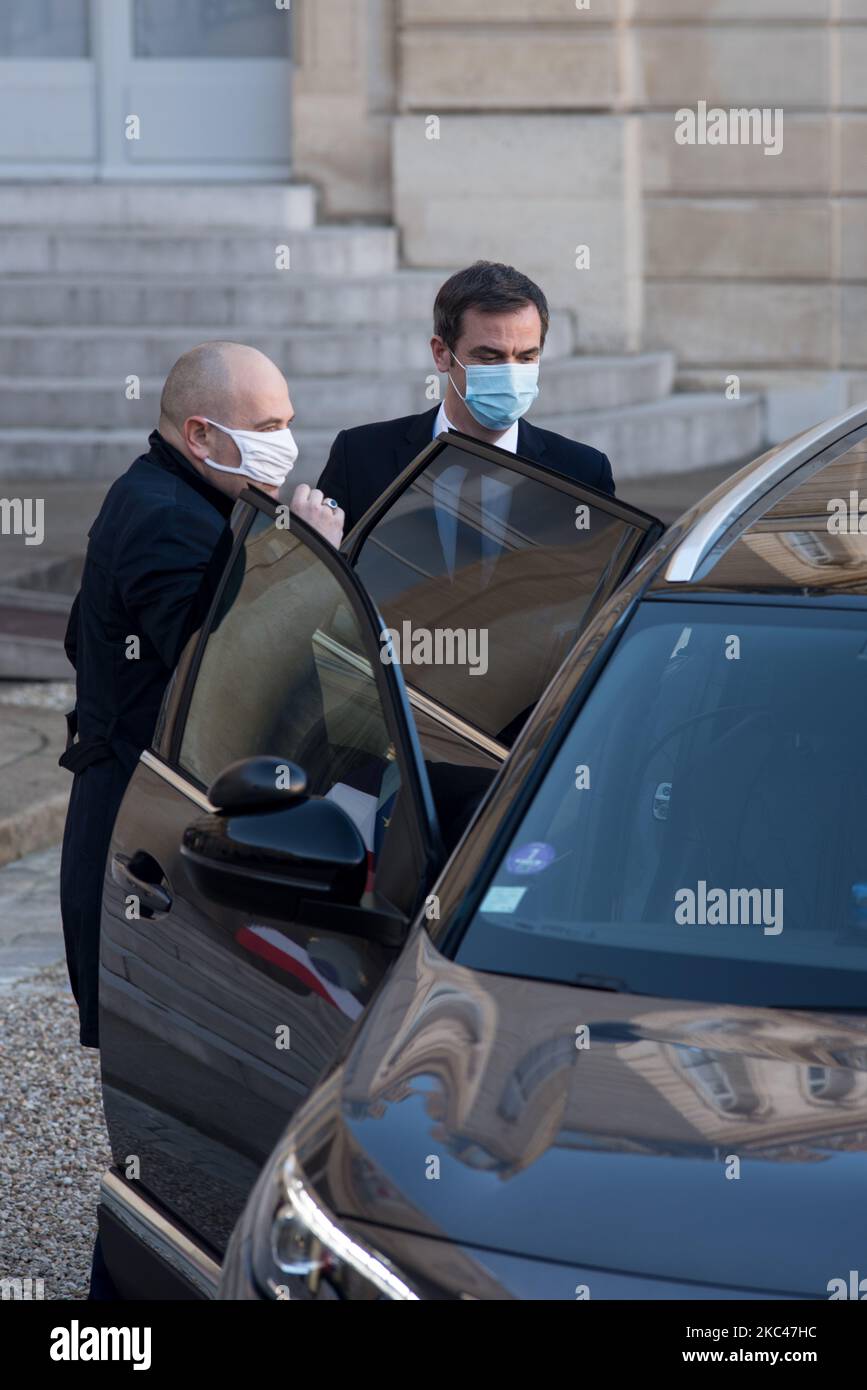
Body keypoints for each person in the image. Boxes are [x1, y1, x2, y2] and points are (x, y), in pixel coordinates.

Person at [58, 341, 343, 1297]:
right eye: (267, 429)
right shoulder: (167, 518)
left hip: (139, 810)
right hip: (140, 834)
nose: (286, 444)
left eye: (287, 421)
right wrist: (308, 567)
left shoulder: (184, 495)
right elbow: (214, 676)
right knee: (158, 1106)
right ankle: (127, 1296)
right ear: (198, 432)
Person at [317, 260, 615, 533]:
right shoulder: (360, 457)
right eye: (489, 356)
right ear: (442, 353)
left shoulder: (582, 473)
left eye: (526, 358)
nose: (510, 374)